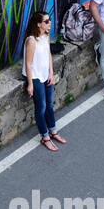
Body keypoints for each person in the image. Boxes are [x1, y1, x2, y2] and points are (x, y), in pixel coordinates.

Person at [24, 11, 67, 152]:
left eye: (49, 20)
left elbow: (48, 53)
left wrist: (51, 72)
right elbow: (28, 64)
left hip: (44, 74)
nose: (49, 22)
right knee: (41, 107)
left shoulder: (46, 36)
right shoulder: (31, 41)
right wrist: (30, 84)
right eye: (47, 21)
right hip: (34, 76)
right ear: (39, 24)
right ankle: (44, 136)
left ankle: (53, 131)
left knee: (49, 103)